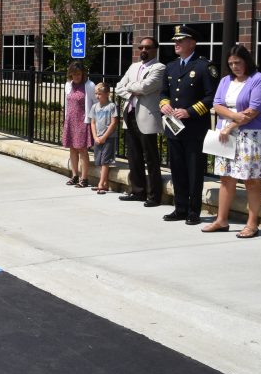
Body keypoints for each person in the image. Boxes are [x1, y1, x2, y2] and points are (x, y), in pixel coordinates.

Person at [202, 45, 261, 238]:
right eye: (230, 63)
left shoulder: (258, 79)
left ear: (246, 61)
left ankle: (252, 223)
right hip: (226, 136)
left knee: (251, 180)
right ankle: (221, 220)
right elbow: (217, 104)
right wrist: (232, 117)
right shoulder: (225, 80)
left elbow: (254, 109)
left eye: (237, 62)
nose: (234, 66)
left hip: (250, 137)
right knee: (226, 178)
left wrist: (230, 125)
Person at [159, 25, 217, 225]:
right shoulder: (171, 67)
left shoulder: (204, 66)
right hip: (174, 127)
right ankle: (180, 208)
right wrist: (164, 105)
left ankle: (194, 211)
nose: (176, 43)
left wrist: (189, 111)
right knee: (177, 169)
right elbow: (164, 93)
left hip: (194, 129)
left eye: (180, 40)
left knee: (194, 170)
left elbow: (211, 97)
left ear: (192, 42)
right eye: (175, 41)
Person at [115, 37, 166, 206]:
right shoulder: (133, 66)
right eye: (141, 47)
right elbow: (118, 86)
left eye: (148, 47)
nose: (144, 50)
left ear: (155, 49)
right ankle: (138, 191)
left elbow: (146, 87)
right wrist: (132, 90)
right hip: (130, 115)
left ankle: (154, 196)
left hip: (147, 118)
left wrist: (131, 86)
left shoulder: (159, 68)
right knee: (133, 156)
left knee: (150, 158)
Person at [62, 61, 95, 188]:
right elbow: (67, 103)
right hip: (70, 121)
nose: (76, 76)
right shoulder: (68, 85)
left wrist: (92, 120)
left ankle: (84, 178)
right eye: (74, 74)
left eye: (79, 74)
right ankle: (74, 176)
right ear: (70, 74)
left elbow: (95, 102)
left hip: (82, 121)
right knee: (72, 149)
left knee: (82, 150)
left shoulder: (89, 85)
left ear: (83, 74)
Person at [89, 82, 118, 194]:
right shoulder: (94, 107)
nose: (97, 96)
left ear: (107, 94)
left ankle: (100, 184)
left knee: (105, 161)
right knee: (99, 161)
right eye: (96, 94)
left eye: (100, 94)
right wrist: (95, 137)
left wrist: (105, 136)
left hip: (108, 138)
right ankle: (104, 183)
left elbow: (114, 123)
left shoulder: (111, 106)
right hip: (98, 138)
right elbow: (92, 123)